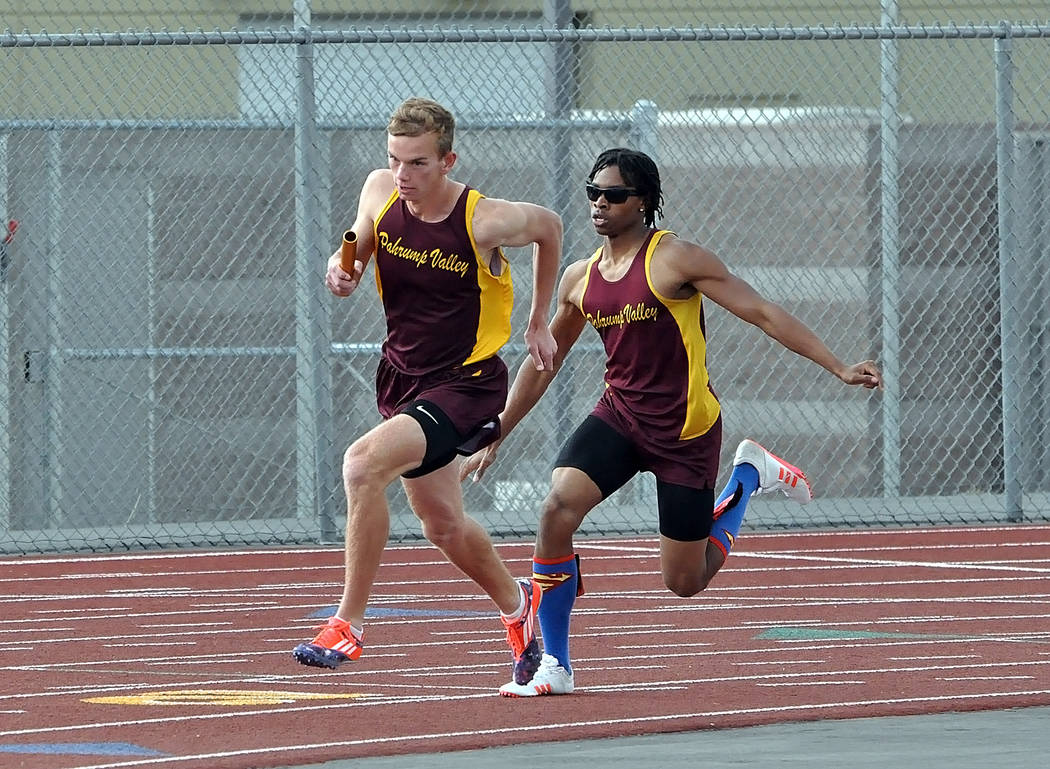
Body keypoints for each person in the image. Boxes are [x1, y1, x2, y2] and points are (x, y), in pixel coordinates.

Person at [461, 147, 882, 697]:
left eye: (613, 195)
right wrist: (499, 429)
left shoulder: (676, 259)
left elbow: (762, 312)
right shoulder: (579, 278)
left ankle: (748, 476)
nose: (599, 204)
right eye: (593, 193)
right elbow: (546, 361)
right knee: (556, 508)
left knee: (686, 580)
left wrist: (838, 366)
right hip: (619, 417)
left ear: (643, 202)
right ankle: (556, 665)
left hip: (685, 431)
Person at [291, 97, 562, 689]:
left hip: (465, 383)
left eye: (416, 163)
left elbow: (549, 226)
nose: (402, 174)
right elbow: (355, 247)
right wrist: (339, 268)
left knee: (361, 465)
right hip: (403, 377)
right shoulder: (380, 190)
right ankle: (519, 605)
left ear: (447, 161)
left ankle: (347, 623)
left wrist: (539, 319)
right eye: (395, 159)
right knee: (442, 526)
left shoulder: (482, 219)